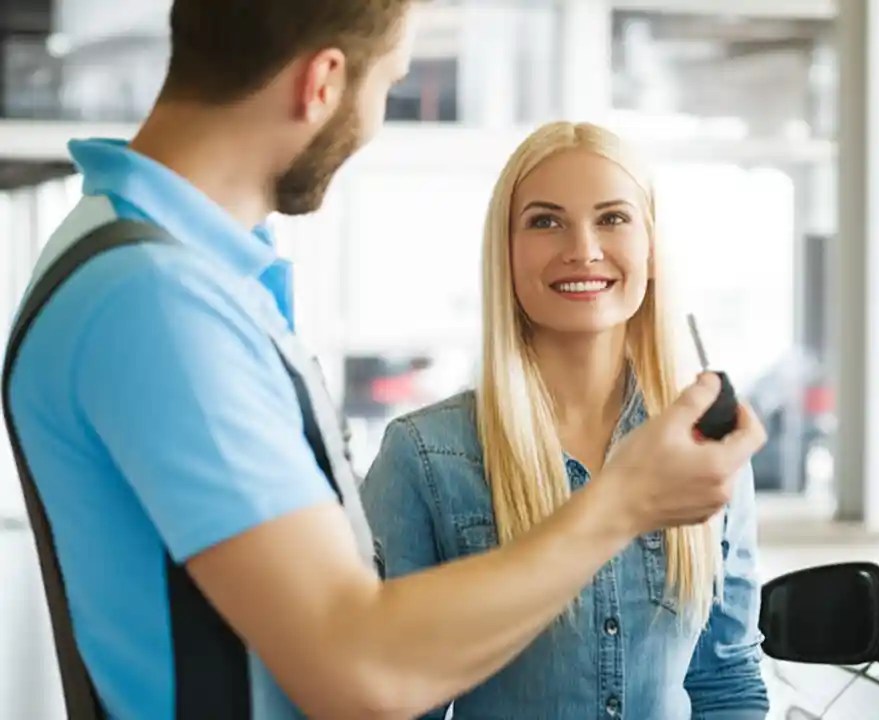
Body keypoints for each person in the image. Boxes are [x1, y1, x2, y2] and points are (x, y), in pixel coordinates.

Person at [2, 2, 766, 719]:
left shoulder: (194, 281)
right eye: (392, 83)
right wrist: (624, 502)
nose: (375, 124)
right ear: (324, 82)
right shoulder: (156, 302)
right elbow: (358, 667)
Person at [360, 121, 770, 719]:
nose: (582, 248)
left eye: (613, 218)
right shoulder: (424, 455)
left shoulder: (704, 445)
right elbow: (390, 700)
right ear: (506, 251)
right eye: (545, 221)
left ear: (652, 248)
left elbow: (727, 684)